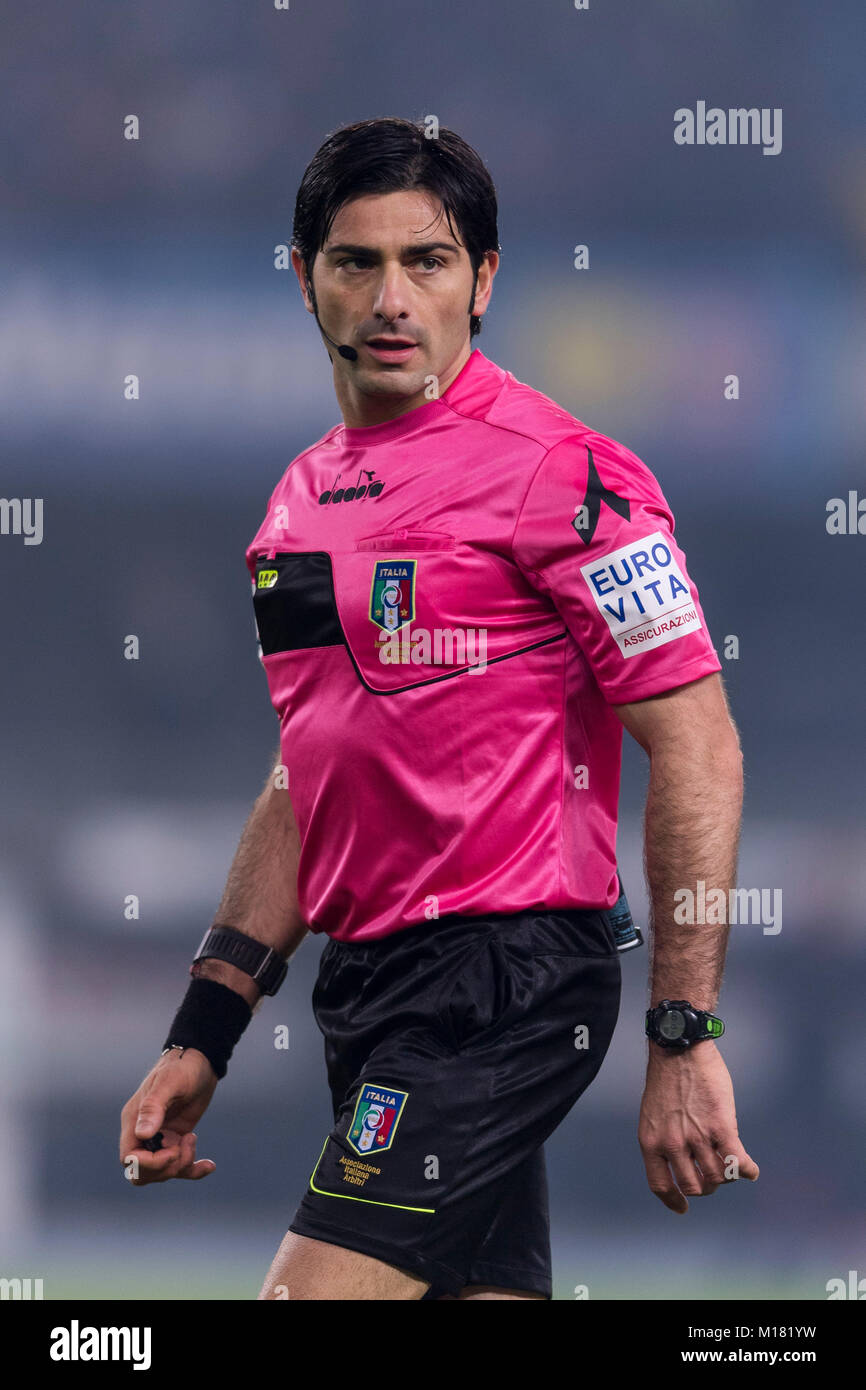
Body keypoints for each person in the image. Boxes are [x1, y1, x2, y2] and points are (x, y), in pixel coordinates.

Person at [119, 117, 758, 1301]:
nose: (391, 297)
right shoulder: (298, 506)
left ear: (486, 279)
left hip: (505, 976)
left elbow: (698, 745)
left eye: (429, 260)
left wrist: (685, 1033)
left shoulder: (567, 475)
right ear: (303, 277)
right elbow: (305, 772)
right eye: (356, 262)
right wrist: (201, 1030)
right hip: (367, 987)